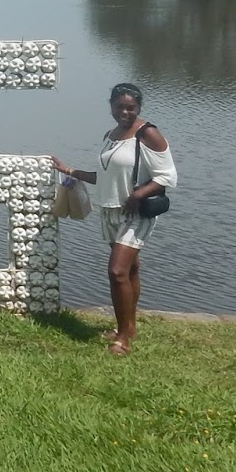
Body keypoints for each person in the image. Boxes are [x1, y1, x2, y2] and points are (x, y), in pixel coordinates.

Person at [52, 82, 177, 356]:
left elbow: (168, 176)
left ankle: (122, 340)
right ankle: (129, 326)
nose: (125, 112)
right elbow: (105, 176)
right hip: (108, 210)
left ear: (139, 107)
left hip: (136, 212)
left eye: (131, 107)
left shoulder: (148, 133)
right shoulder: (111, 135)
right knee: (130, 270)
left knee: (117, 271)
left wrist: (138, 194)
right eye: (120, 106)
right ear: (111, 106)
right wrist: (70, 170)